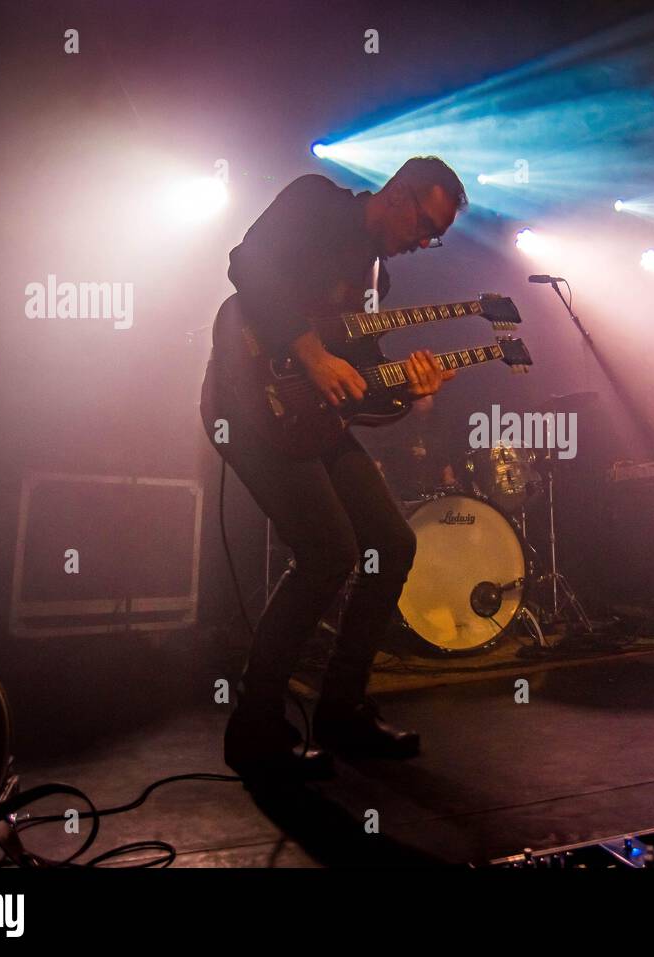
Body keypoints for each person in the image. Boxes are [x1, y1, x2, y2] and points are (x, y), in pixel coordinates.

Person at [199, 157, 466, 785]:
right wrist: (312, 353)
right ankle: (255, 728)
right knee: (327, 553)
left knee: (393, 543)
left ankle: (342, 710)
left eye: (437, 237)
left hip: (314, 423)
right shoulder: (316, 202)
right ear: (398, 194)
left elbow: (362, 393)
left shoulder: (380, 284)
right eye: (426, 225)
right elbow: (247, 263)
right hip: (248, 403)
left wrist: (410, 389)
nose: (425, 243)